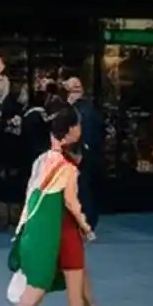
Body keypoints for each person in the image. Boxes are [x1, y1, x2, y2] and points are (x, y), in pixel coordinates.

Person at [0, 105, 106, 306]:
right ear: (69, 132)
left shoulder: (43, 160)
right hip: (57, 227)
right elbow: (72, 203)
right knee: (45, 280)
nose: (80, 128)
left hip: (49, 227)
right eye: (77, 125)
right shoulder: (66, 167)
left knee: (72, 274)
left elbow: (31, 194)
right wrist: (87, 227)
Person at [64, 77, 105, 231]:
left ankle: (84, 221)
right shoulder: (89, 108)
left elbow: (82, 132)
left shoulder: (78, 110)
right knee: (87, 188)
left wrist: (79, 150)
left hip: (81, 153)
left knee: (82, 188)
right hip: (90, 152)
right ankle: (88, 220)